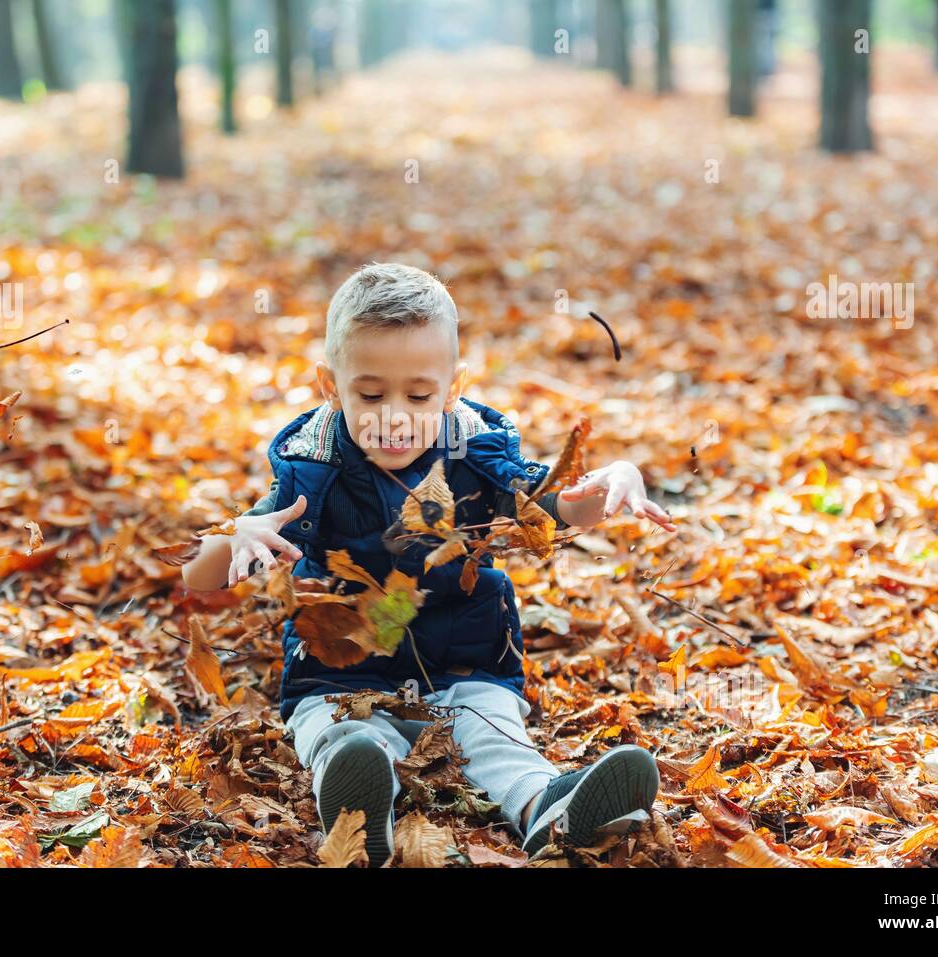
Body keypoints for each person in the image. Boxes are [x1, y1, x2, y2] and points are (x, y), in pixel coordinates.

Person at [181, 263, 672, 865]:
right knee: (338, 732)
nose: (393, 414)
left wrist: (613, 480)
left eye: (417, 395)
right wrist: (237, 534)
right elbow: (195, 578)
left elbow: (556, 509)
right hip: (344, 672)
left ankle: (546, 808)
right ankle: (360, 807)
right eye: (369, 394)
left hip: (463, 667)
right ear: (330, 385)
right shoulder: (312, 472)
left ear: (452, 386)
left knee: (495, 738)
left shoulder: (476, 458)